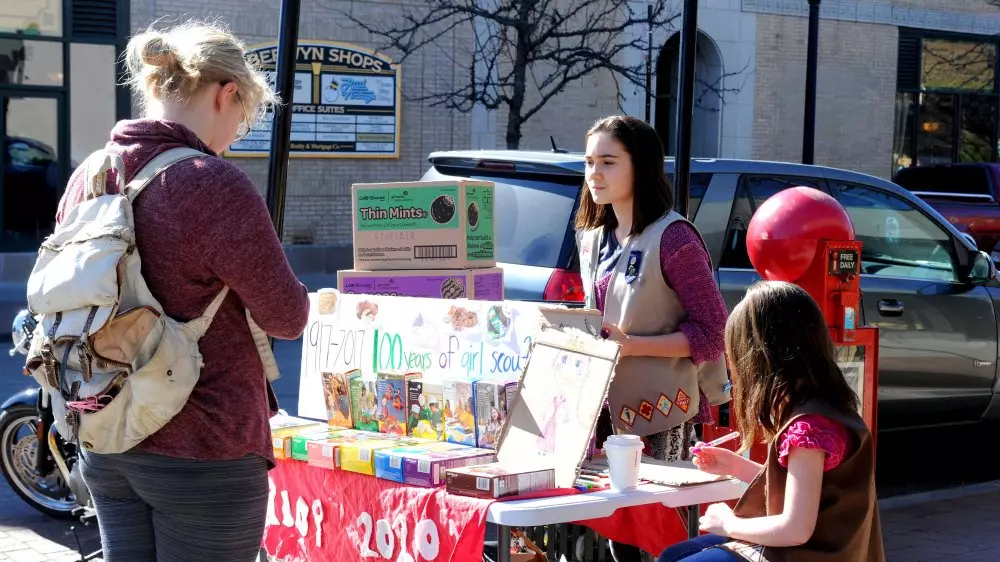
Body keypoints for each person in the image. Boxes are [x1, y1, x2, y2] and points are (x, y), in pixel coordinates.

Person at [56, 20, 310, 562]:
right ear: (228, 94)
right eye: (244, 117)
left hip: (107, 431)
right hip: (204, 448)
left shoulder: (92, 175)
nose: (238, 132)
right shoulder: (210, 182)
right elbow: (288, 317)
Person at [574, 115, 730, 561]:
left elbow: (713, 331)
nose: (594, 175)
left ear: (639, 166)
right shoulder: (592, 237)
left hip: (663, 412)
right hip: (601, 410)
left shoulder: (674, 237)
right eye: (588, 163)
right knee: (619, 537)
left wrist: (633, 344)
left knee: (659, 538)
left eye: (608, 162)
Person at [658, 281, 884, 562]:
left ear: (759, 359)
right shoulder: (827, 408)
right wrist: (734, 465)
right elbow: (805, 487)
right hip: (823, 549)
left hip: (804, 552)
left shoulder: (808, 429)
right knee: (675, 554)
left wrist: (728, 523)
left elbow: (795, 529)